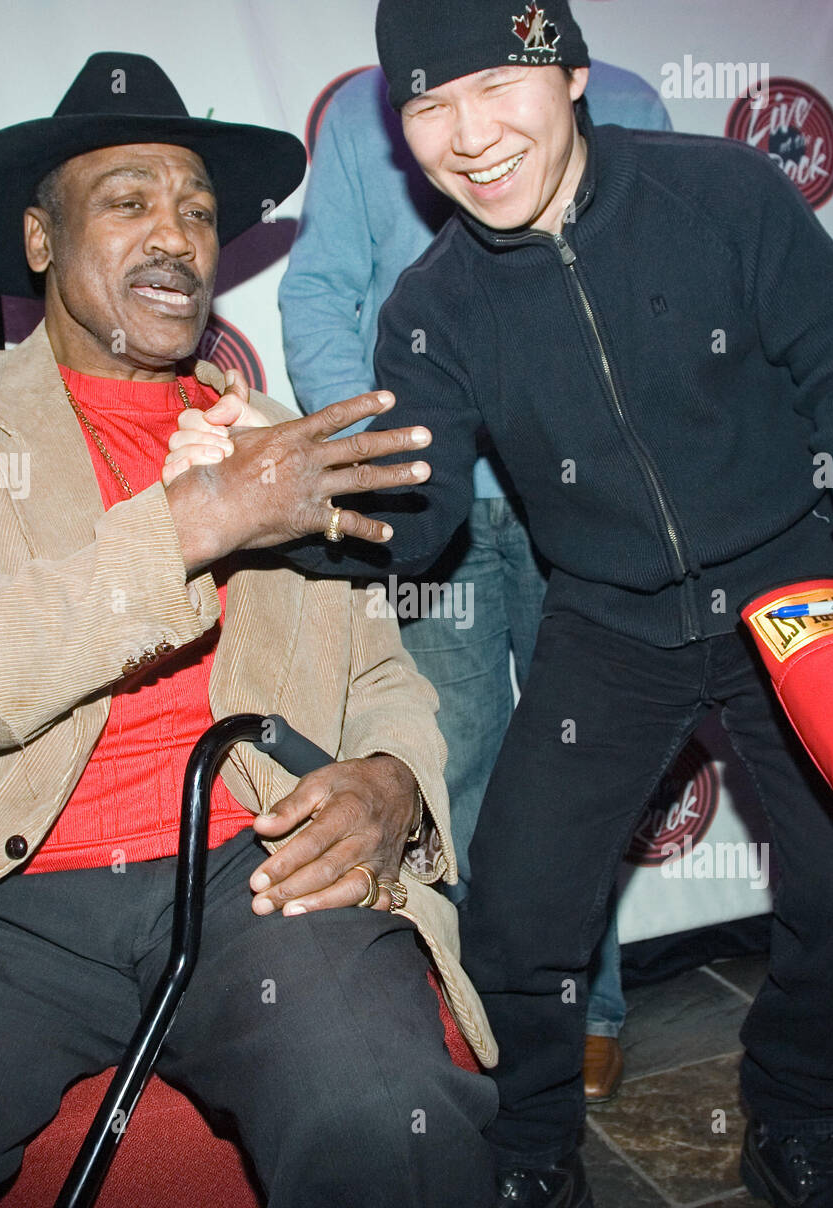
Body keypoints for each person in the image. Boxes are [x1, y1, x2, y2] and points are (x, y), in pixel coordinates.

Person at [0, 52, 498, 1208]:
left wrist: (394, 784)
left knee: (383, 1119)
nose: (177, 237)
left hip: (252, 868)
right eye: (128, 203)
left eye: (198, 211)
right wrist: (189, 526)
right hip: (10, 896)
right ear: (38, 240)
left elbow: (382, 678)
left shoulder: (280, 442)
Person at [256, 0, 833, 1207]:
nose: (466, 135)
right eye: (427, 105)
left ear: (567, 72)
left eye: (493, 86)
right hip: (608, 621)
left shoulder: (720, 194)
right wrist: (273, 520)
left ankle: (794, 1122)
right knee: (514, 916)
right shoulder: (430, 307)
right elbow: (416, 524)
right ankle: (528, 1157)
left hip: (791, 596)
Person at [278, 58, 671, 1106]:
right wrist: (386, 449)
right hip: (428, 517)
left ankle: (585, 1006)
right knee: (443, 769)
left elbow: (651, 302)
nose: (465, 129)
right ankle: (462, 1007)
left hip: (587, 508)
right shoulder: (382, 111)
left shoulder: (627, 102)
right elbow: (318, 286)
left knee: (581, 773)